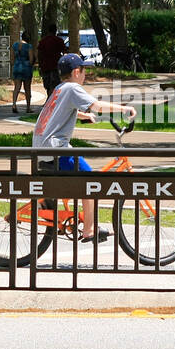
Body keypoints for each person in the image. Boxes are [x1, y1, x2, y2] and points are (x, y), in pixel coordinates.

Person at [32, 53, 136, 242]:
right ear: (76, 72)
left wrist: (83, 116)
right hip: (55, 149)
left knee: (82, 181)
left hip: (42, 147)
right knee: (92, 182)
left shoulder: (59, 89)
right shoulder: (73, 87)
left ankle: (47, 208)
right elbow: (96, 105)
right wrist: (124, 108)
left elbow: (61, 111)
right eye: (84, 70)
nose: (85, 74)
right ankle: (89, 230)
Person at [36, 22, 67, 99]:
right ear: (55, 30)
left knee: (47, 85)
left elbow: (39, 54)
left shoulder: (43, 41)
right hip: (55, 66)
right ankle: (51, 100)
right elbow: (64, 51)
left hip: (45, 65)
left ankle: (49, 98)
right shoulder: (59, 40)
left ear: (48, 31)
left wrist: (40, 65)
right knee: (55, 84)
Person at [11, 30, 34, 114]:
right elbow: (31, 60)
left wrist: (15, 64)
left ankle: (14, 104)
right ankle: (28, 107)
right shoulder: (29, 46)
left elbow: (12, 59)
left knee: (17, 87)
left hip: (17, 67)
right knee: (27, 88)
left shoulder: (15, 45)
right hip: (26, 68)